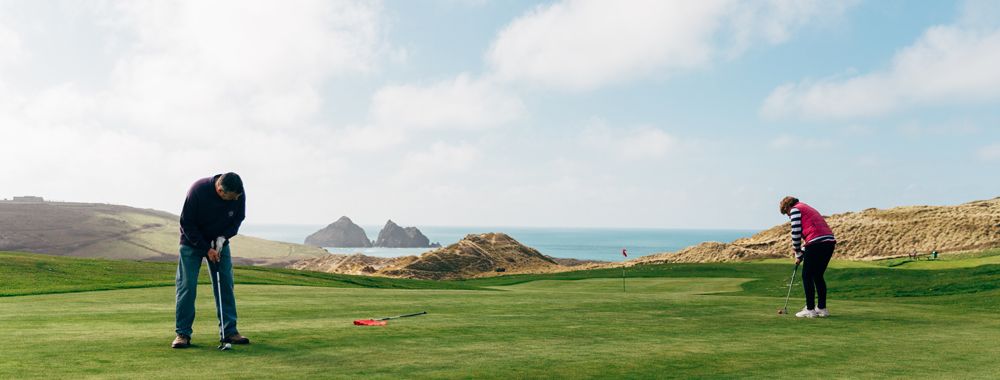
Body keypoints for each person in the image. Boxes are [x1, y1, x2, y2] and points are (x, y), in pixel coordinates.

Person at [172, 172, 250, 348]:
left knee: (225, 284)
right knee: (187, 286)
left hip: (219, 242)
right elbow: (186, 223)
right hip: (191, 243)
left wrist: (223, 237)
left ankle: (229, 332)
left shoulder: (238, 192)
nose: (235, 200)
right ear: (221, 191)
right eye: (232, 198)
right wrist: (206, 248)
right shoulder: (198, 190)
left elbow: (238, 218)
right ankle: (182, 334)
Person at [779, 196, 836, 318]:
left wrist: (798, 252)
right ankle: (821, 308)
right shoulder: (806, 207)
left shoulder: (795, 209)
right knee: (817, 275)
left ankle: (810, 309)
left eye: (787, 213)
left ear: (787, 207)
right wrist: (802, 252)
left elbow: (796, 232)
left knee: (807, 275)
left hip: (817, 243)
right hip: (829, 242)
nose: (789, 216)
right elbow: (813, 234)